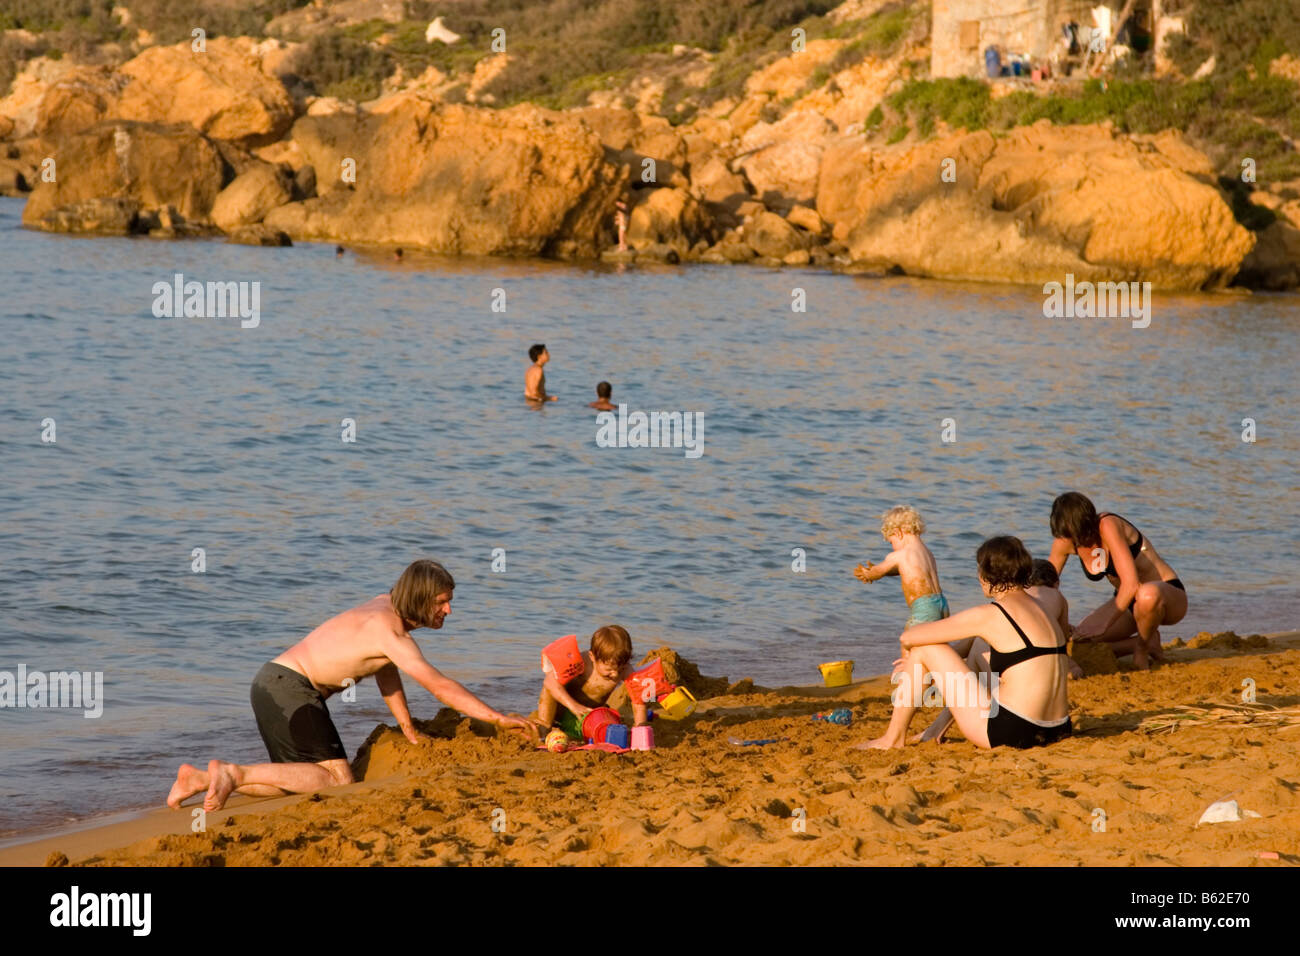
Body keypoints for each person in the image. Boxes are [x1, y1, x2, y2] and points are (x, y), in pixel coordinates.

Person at [166, 560, 540, 812]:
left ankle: (198, 779)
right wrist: (497, 719)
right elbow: (439, 686)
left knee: (300, 779)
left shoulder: (384, 609)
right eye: (443, 603)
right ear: (423, 599)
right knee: (335, 780)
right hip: (291, 690)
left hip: (270, 683)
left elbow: (385, 670)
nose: (449, 611)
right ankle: (232, 773)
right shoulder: (389, 630)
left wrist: (408, 727)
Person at [855, 536, 1071, 750]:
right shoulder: (1041, 608)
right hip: (1058, 729)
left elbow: (909, 637)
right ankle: (936, 730)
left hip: (1016, 733)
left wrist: (918, 665)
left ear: (985, 575)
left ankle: (892, 738)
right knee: (979, 645)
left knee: (924, 648)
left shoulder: (990, 614)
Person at [1047, 492, 1187, 669]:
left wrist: (1104, 623)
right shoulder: (1066, 540)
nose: (1075, 540)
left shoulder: (1107, 525)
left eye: (1077, 532)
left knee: (1146, 594)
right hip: (1127, 603)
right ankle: (1146, 642)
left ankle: (1141, 650)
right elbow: (1045, 586)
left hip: (1167, 596)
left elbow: (1131, 585)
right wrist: (1061, 622)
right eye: (1069, 535)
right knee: (1079, 640)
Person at [536, 625, 648, 736]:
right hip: (561, 711)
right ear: (592, 657)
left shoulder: (625, 669)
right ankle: (544, 728)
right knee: (549, 689)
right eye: (609, 670)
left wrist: (640, 727)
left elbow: (638, 699)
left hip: (588, 716)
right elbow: (549, 682)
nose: (615, 674)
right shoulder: (581, 663)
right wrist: (574, 706)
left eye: (621, 668)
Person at [854, 506, 950, 629]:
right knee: (934, 640)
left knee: (909, 642)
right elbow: (906, 570)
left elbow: (877, 572)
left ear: (898, 533)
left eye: (891, 542)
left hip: (925, 607)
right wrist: (885, 572)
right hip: (942, 603)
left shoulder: (900, 554)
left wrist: (868, 573)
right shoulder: (926, 552)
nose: (892, 547)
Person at [1027, 558, 1084, 679]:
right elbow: (1062, 637)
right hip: (1045, 655)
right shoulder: (1058, 596)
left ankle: (992, 691)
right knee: (1075, 669)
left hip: (1015, 653)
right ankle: (1070, 673)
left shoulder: (1020, 594)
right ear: (1056, 583)